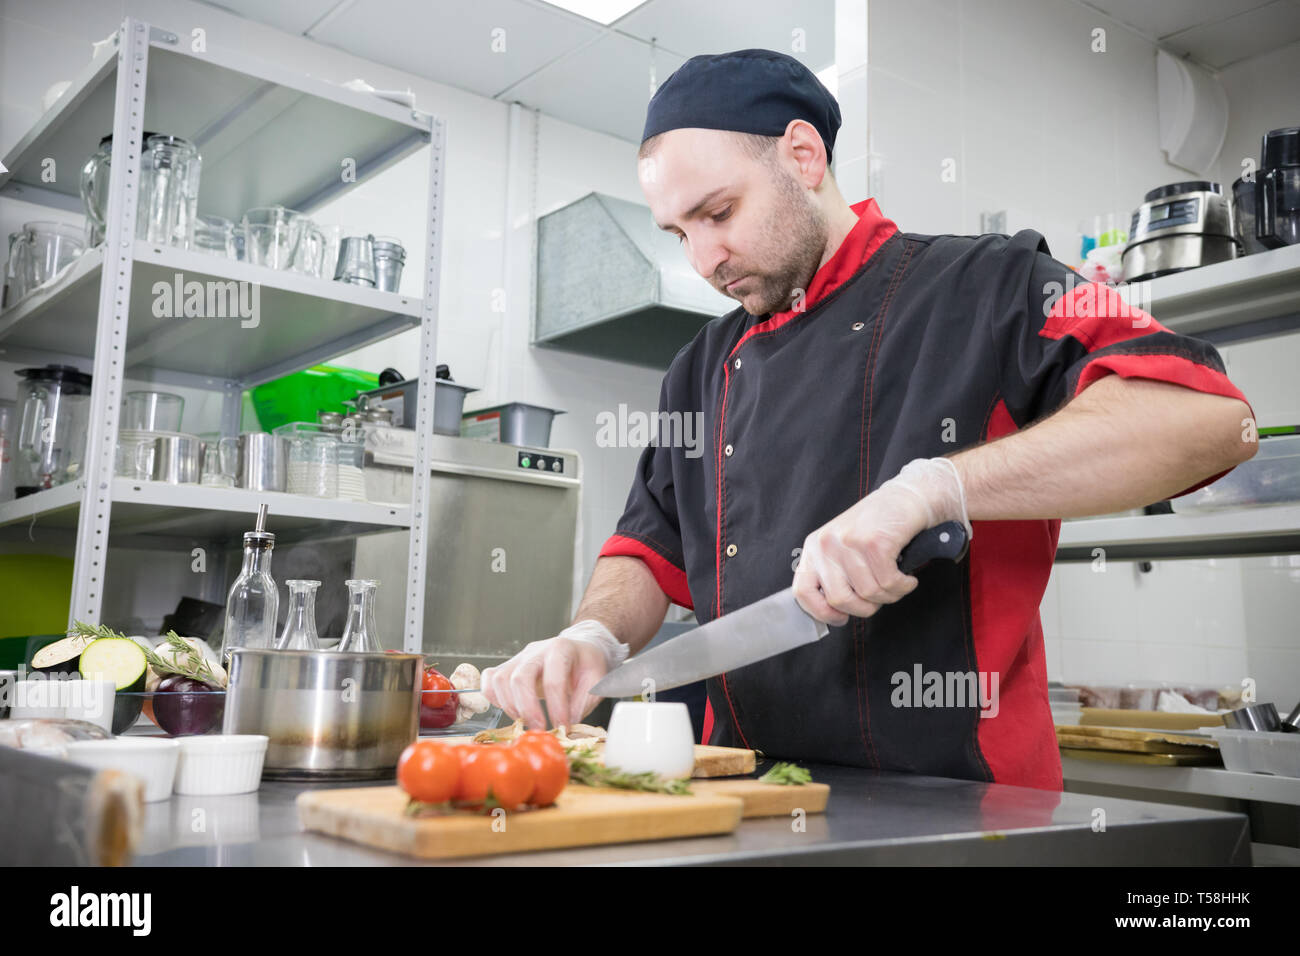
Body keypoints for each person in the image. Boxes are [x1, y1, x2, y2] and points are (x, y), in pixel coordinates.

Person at [482, 49, 1255, 790]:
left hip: (964, 805)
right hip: (742, 797)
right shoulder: (699, 365)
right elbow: (647, 549)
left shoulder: (991, 283)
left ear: (803, 156)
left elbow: (1208, 419)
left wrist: (935, 488)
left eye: (718, 213)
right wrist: (594, 636)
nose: (705, 259)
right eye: (679, 233)